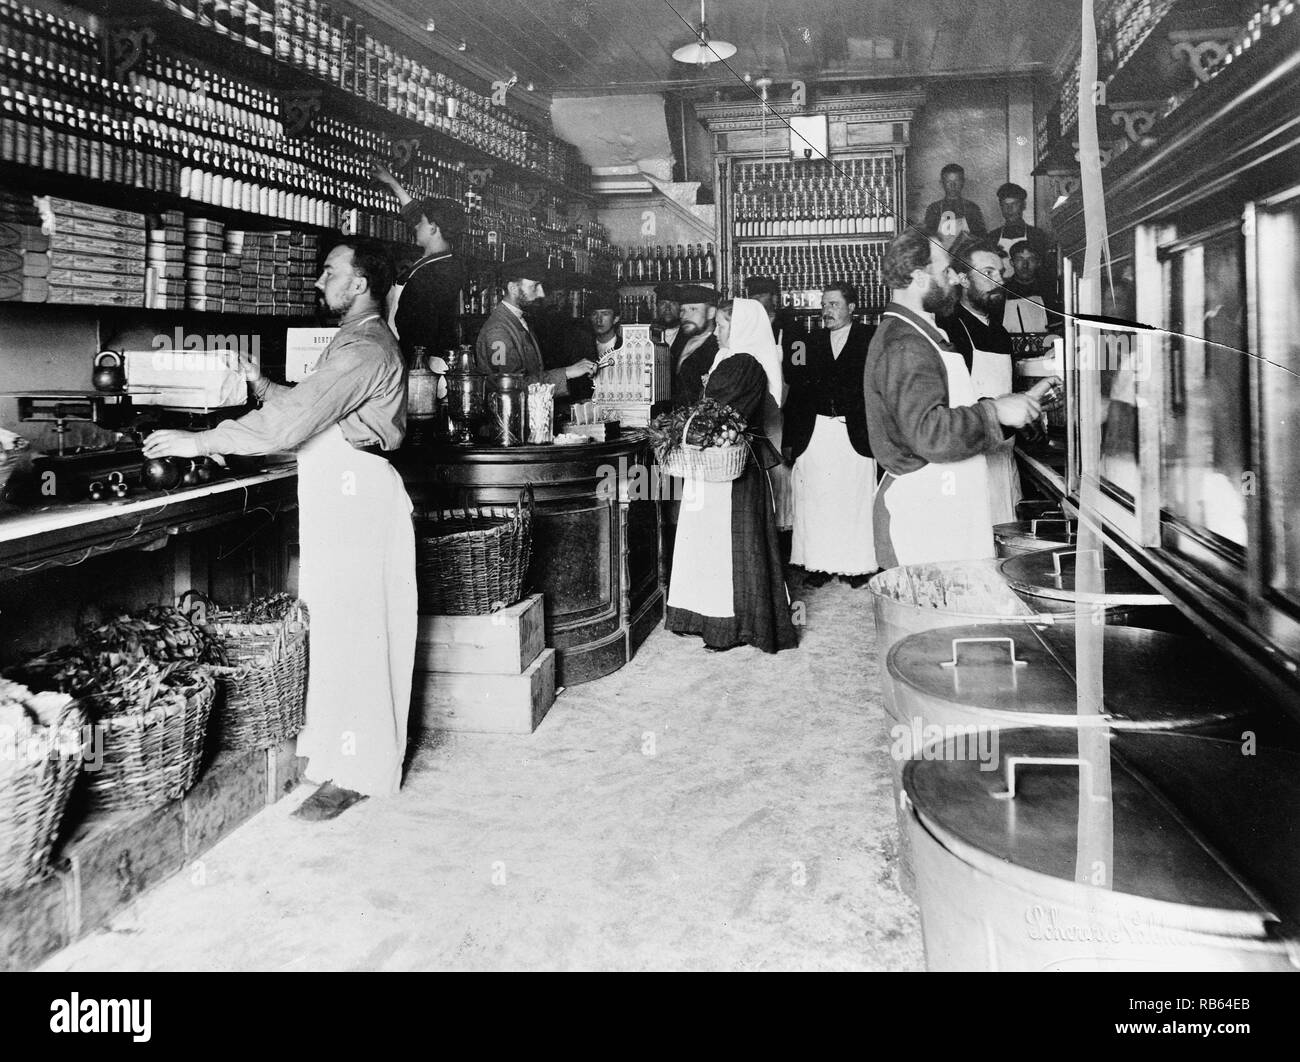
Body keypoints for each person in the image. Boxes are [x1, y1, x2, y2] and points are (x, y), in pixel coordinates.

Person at [143, 238, 416, 820]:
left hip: (355, 495)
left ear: (361, 282)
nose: (318, 282)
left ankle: (360, 767)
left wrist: (200, 439)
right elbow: (314, 407)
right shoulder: (355, 343)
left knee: (358, 632)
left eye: (329, 272)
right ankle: (342, 759)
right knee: (340, 627)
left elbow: (289, 426)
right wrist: (262, 386)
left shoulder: (366, 346)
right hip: (343, 492)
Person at [863, 228, 1060, 566]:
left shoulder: (920, 333)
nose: (955, 277)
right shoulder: (907, 343)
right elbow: (930, 433)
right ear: (919, 277)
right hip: (923, 513)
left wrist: (1014, 406)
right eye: (945, 270)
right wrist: (995, 411)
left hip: (942, 502)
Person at [665, 298, 798, 654]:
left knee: (723, 546)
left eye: (724, 326)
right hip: (714, 463)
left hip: (730, 469)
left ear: (740, 328)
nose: (719, 331)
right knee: (707, 543)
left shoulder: (743, 363)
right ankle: (702, 615)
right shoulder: (730, 359)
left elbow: (718, 414)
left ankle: (727, 624)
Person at [785, 281, 877, 587]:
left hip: (856, 432)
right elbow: (797, 390)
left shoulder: (871, 337)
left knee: (855, 499)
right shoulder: (807, 342)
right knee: (818, 499)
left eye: (834, 304)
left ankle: (858, 566)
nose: (827, 311)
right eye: (824, 305)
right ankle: (819, 565)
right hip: (817, 431)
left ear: (852, 307)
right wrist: (790, 439)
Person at [939, 235, 1022, 524]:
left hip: (1003, 459)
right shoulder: (948, 328)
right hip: (967, 464)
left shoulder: (1000, 333)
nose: (998, 281)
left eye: (1000, 272)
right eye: (988, 273)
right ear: (962, 279)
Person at [371, 162, 467, 362]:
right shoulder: (442, 262)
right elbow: (416, 214)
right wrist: (392, 183)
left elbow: (416, 329)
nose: (416, 226)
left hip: (420, 361)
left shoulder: (434, 274)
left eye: (421, 223)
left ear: (433, 228)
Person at [474, 258, 596, 391]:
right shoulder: (498, 330)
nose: (541, 293)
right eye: (534, 286)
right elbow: (513, 385)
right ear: (513, 288)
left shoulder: (517, 320)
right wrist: (568, 372)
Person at [743, 274, 803, 537]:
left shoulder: (793, 331)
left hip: (784, 413)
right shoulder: (748, 331)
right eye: (752, 297)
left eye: (761, 297)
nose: (756, 302)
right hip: (756, 414)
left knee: (784, 477)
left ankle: (786, 537)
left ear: (774, 299)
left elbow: (800, 373)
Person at [988, 182, 1054, 279]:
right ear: (1001, 207)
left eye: (1014, 204)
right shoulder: (992, 237)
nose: (1009, 209)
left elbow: (1045, 270)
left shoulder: (1037, 235)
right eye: (1005, 205)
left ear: (1023, 205)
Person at [670, 284, 720, 409]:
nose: (684, 316)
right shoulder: (679, 341)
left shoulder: (718, 348)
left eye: (693, 309)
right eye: (682, 310)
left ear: (711, 312)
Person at [922, 163, 987, 248]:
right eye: (949, 182)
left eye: (957, 181)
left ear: (963, 182)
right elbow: (927, 239)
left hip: (965, 257)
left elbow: (981, 239)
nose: (953, 186)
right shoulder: (934, 209)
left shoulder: (972, 208)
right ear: (942, 183)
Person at [1001, 240, 1059, 333]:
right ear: (1012, 262)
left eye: (1031, 259)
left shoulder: (1049, 291)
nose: (1025, 265)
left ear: (1038, 263)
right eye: (1020, 259)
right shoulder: (1002, 291)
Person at [650, 282, 681, 349]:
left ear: (680, 307)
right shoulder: (648, 333)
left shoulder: (687, 335)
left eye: (673, 303)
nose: (667, 308)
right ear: (657, 306)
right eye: (663, 303)